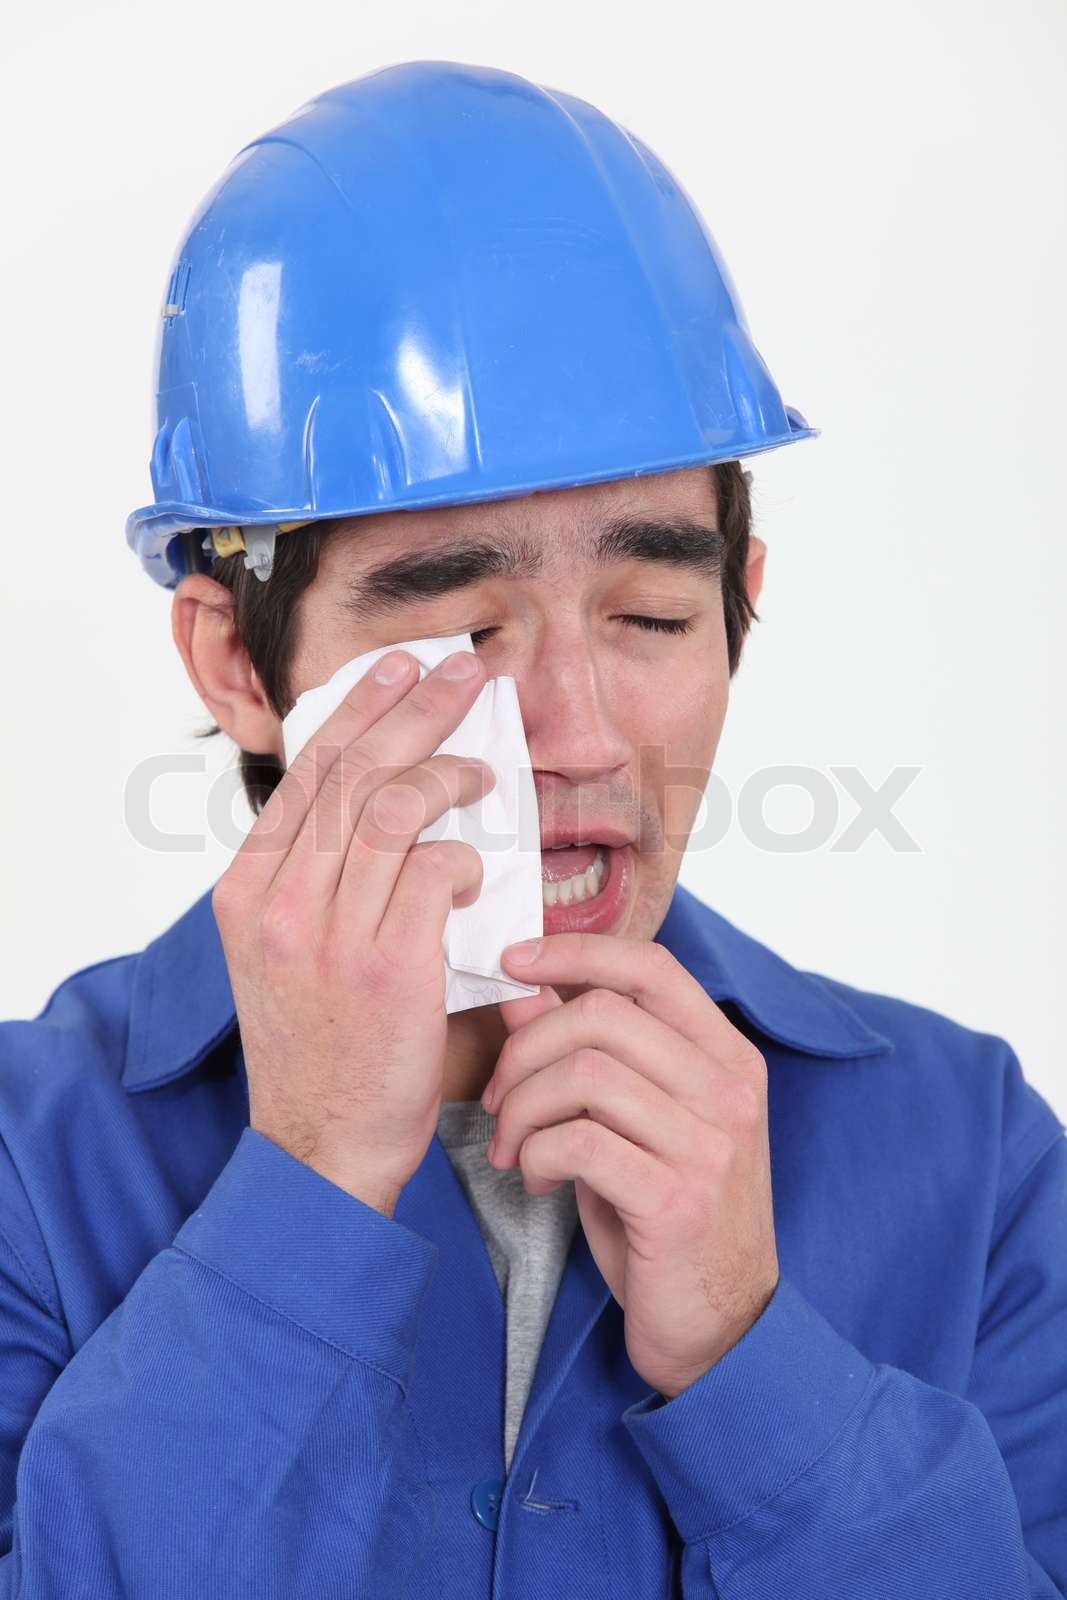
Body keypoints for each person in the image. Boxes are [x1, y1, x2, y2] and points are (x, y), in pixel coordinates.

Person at [0, 60, 1062, 1600]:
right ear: (237, 662)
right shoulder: (32, 1167)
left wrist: (751, 1366)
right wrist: (301, 1192)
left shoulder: (978, 1168)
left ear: (742, 610)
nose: (576, 731)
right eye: (458, 623)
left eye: (650, 612)